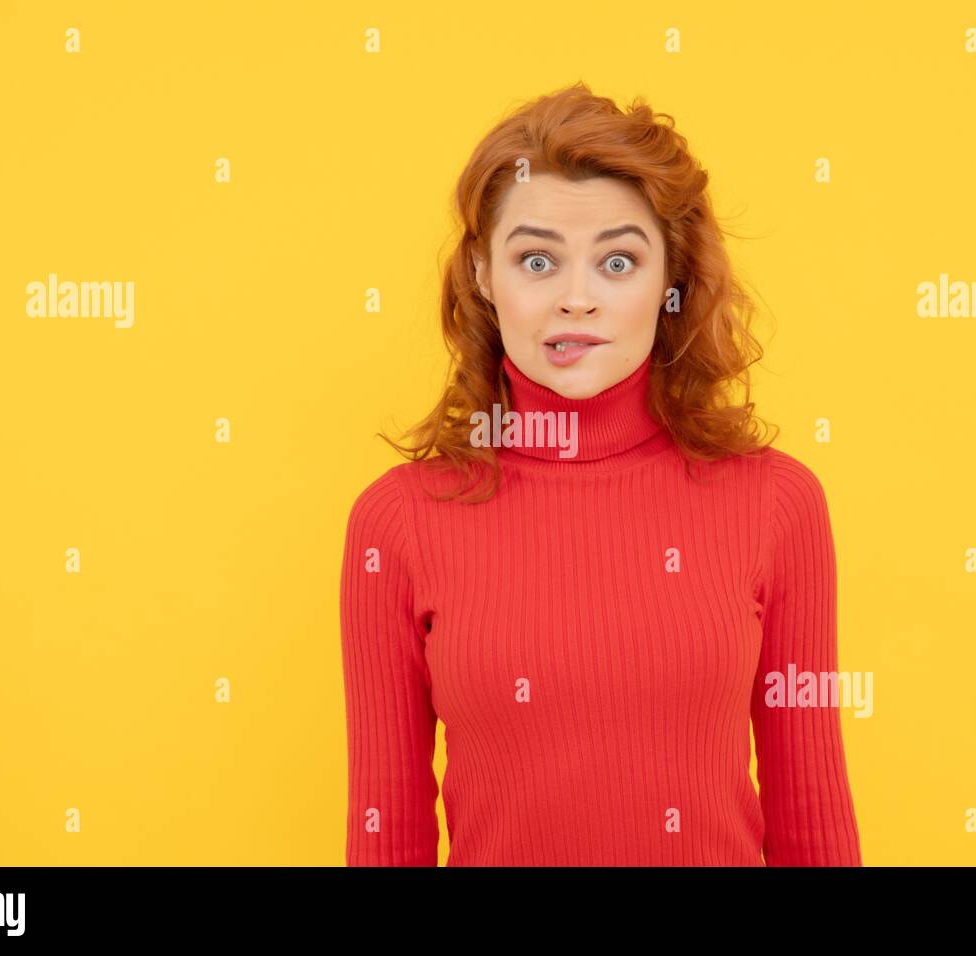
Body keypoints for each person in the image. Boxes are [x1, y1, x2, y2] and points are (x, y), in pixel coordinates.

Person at [339, 81, 863, 866]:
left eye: (618, 260)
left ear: (670, 280)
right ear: (483, 274)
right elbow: (388, 835)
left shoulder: (778, 504)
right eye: (537, 259)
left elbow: (811, 812)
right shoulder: (398, 522)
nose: (576, 299)